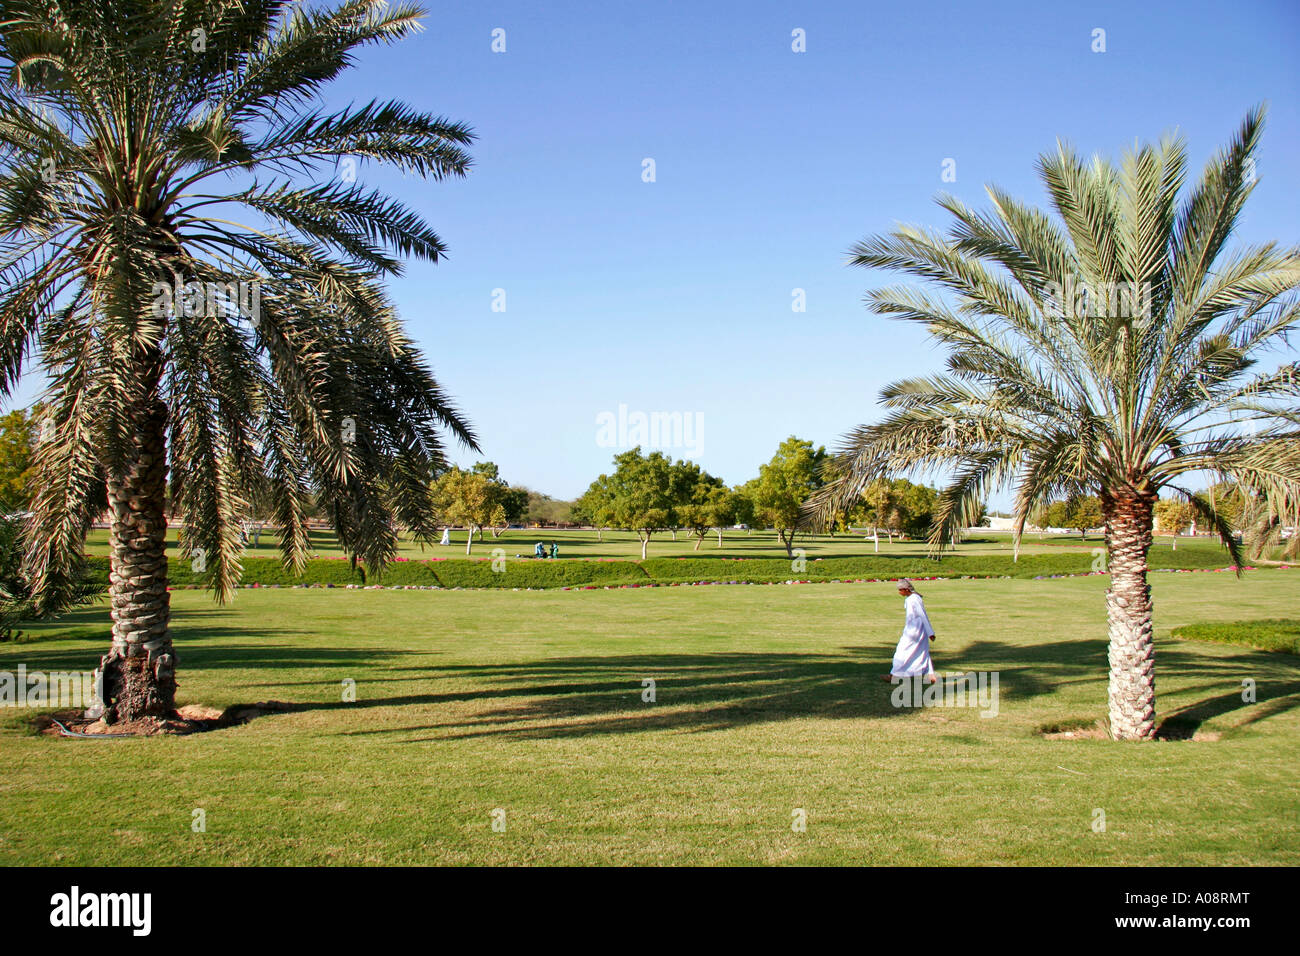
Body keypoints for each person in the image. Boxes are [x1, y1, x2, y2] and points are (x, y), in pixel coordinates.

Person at [882, 579, 937, 683]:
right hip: (915, 629)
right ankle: (930, 675)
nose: (899, 592)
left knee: (901, 651)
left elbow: (922, 615)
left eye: (900, 590)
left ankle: (894, 675)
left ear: (906, 589)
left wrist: (930, 632)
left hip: (914, 630)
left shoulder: (914, 599)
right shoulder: (911, 598)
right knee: (922, 651)